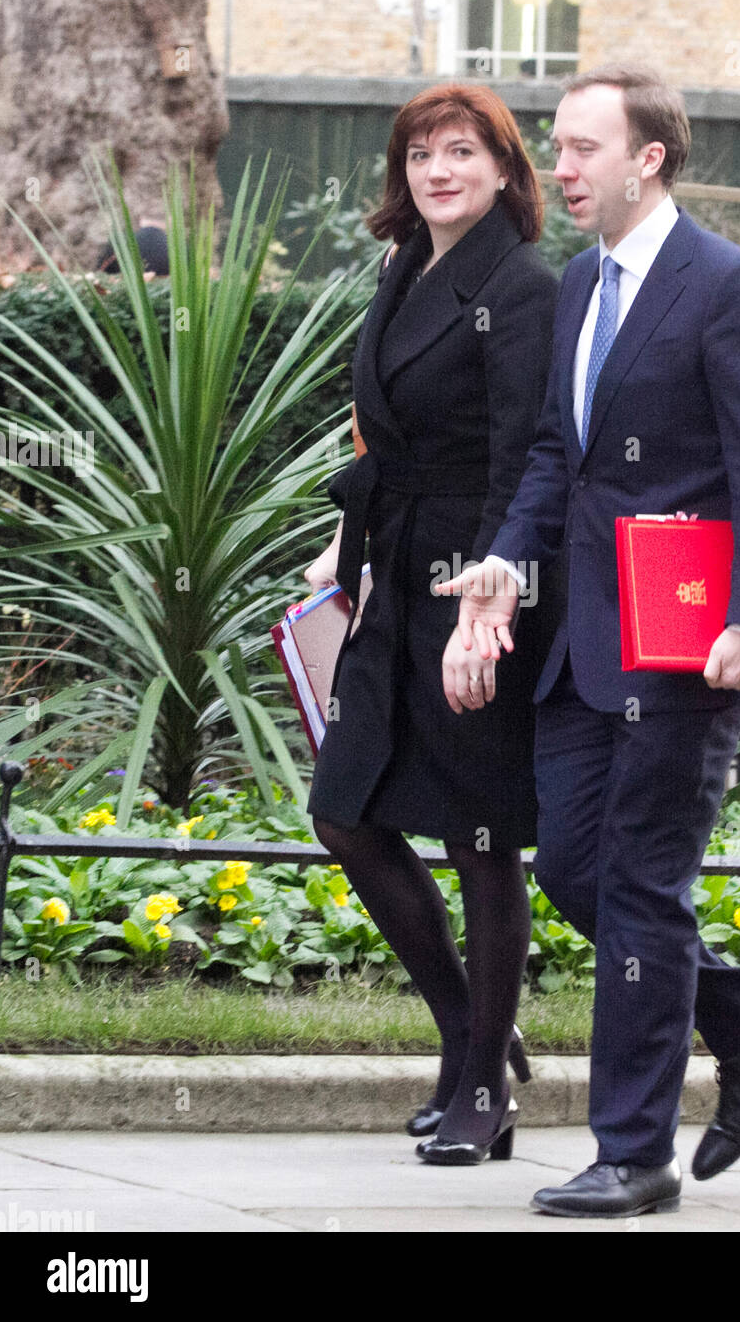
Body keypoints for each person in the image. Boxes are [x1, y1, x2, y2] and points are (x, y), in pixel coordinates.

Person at [435, 64, 740, 1215]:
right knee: (578, 868)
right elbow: (557, 452)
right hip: (580, 642)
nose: (560, 167)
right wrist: (505, 563)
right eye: (557, 147)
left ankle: (634, 1151)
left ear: (648, 158)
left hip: (689, 643)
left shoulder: (726, 283)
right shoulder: (581, 288)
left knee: (644, 887)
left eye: (582, 148)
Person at [302, 83, 559, 1164]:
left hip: (478, 584)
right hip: (394, 568)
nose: (438, 170)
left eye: (462, 151)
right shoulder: (403, 267)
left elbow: (524, 458)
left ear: (505, 169)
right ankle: (471, 1039)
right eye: (420, 154)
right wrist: (343, 548)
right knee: (346, 810)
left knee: (481, 837)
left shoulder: (523, 286)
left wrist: (489, 604)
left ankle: (484, 1094)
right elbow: (386, 431)